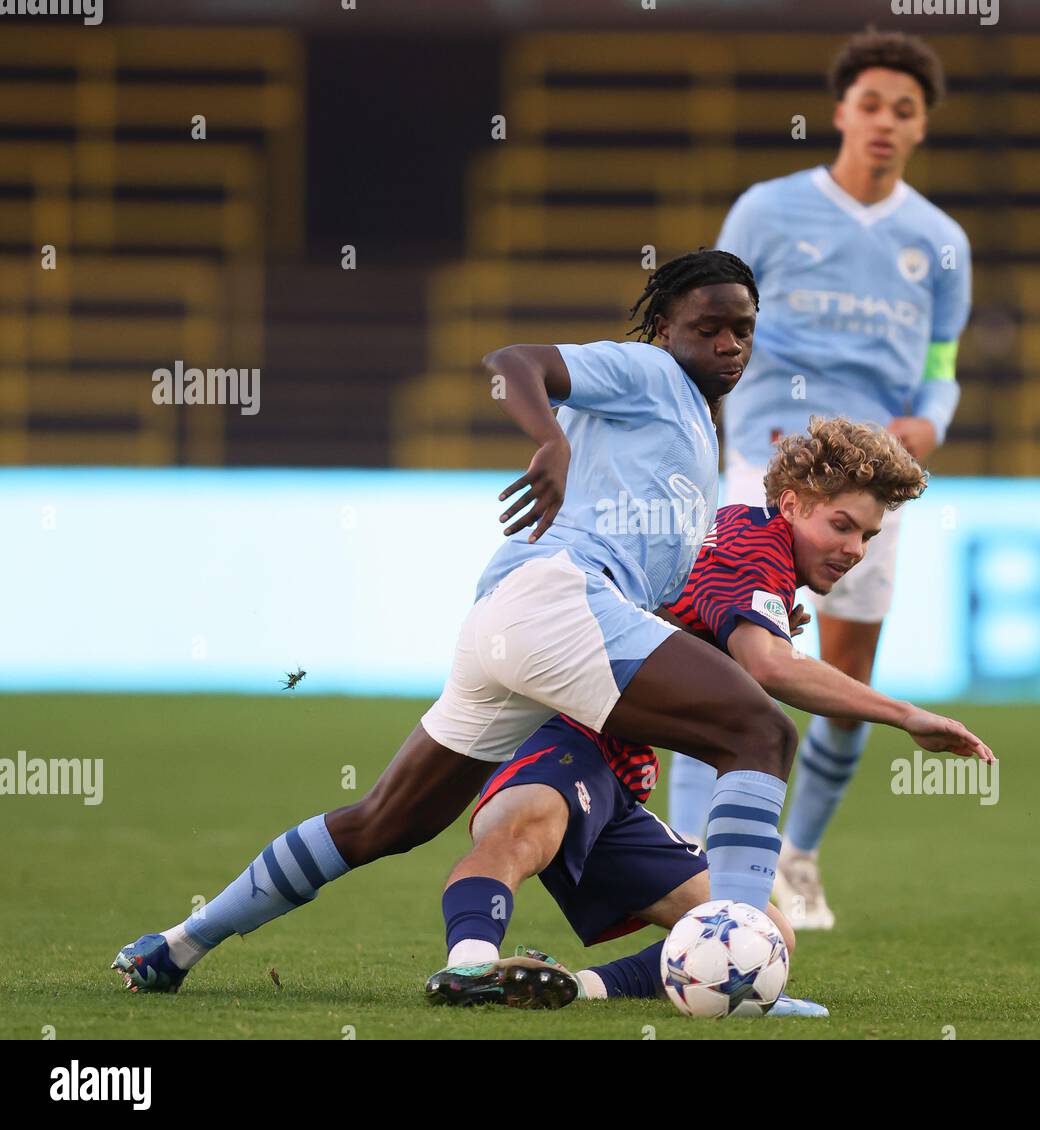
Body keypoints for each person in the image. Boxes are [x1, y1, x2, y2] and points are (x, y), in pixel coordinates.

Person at [109, 250, 807, 993]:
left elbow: (648, 595)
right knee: (759, 733)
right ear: (665, 327)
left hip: (512, 621)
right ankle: (742, 951)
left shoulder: (695, 426)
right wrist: (551, 439)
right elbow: (512, 362)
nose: (729, 345)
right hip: (559, 601)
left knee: (386, 821)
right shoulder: (649, 372)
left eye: (744, 330)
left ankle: (177, 946)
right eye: (710, 328)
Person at [424, 418, 992, 1012]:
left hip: (619, 770)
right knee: (522, 829)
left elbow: (693, 624)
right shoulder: (755, 549)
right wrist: (905, 715)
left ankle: (573, 988)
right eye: (841, 526)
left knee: (767, 932)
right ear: (792, 505)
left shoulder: (744, 540)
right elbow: (772, 668)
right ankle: (470, 966)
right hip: (567, 727)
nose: (854, 550)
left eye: (869, 535)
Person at [669, 29, 973, 930]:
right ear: (842, 112)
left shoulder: (938, 240)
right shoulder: (766, 211)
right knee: (719, 650)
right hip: (766, 466)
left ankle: (797, 858)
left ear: (921, 129)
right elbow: (705, 322)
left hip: (872, 482)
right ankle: (692, 858)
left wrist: (932, 419)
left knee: (844, 667)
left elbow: (944, 364)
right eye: (871, 104)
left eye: (904, 110)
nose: (885, 121)